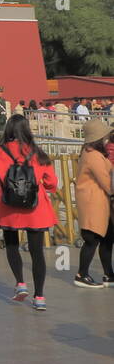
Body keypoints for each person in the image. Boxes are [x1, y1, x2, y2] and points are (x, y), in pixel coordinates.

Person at [0, 114, 58, 311]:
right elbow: (52, 183)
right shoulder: (37, 152)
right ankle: (39, 296)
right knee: (37, 252)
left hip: (9, 207)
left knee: (12, 246)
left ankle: (20, 283)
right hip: (35, 208)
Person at [73, 120, 113, 287]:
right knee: (92, 239)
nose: (107, 140)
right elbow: (106, 181)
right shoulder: (94, 156)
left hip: (94, 201)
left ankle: (108, 274)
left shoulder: (89, 153)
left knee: (105, 238)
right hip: (93, 202)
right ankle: (82, 275)